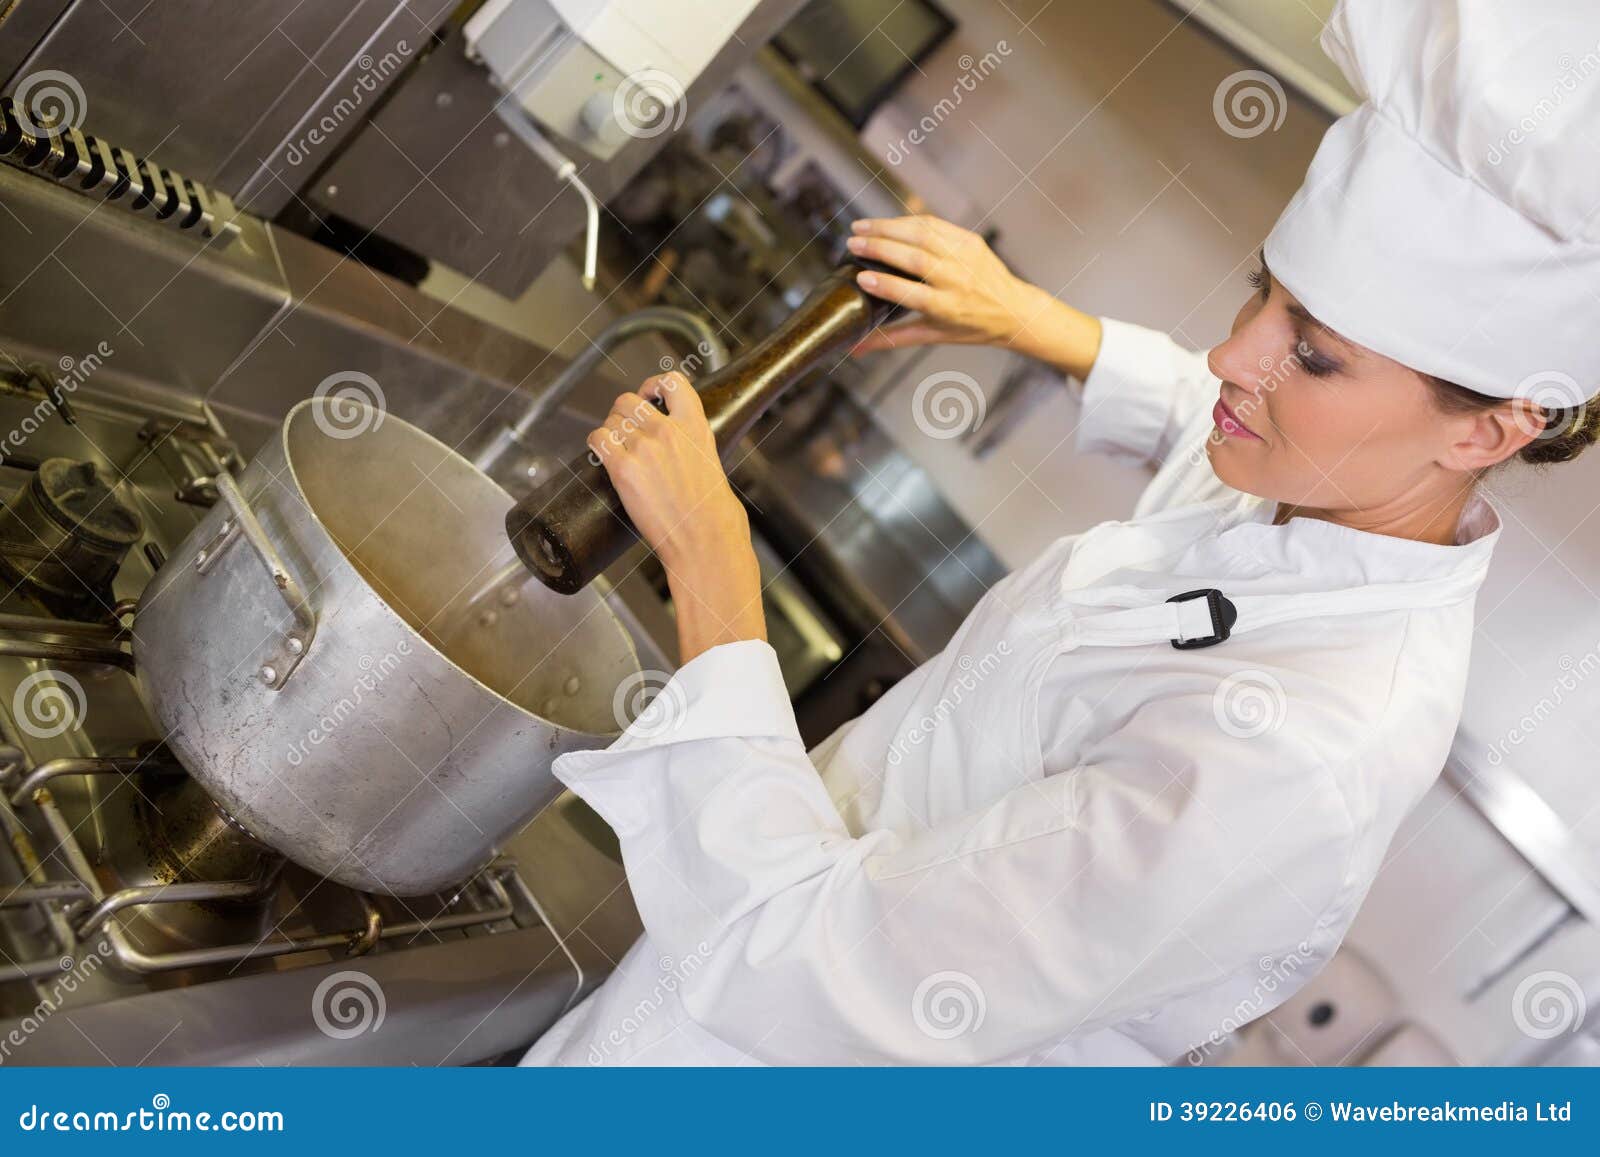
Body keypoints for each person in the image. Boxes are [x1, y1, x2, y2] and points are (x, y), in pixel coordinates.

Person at [522, 0, 1599, 1065]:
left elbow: (805, 969)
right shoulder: (1321, 495)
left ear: (1490, 428)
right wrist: (1031, 320)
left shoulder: (1297, 759)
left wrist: (713, 565)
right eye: (1258, 294)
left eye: (1311, 353)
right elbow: (1204, 417)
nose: (1235, 355)